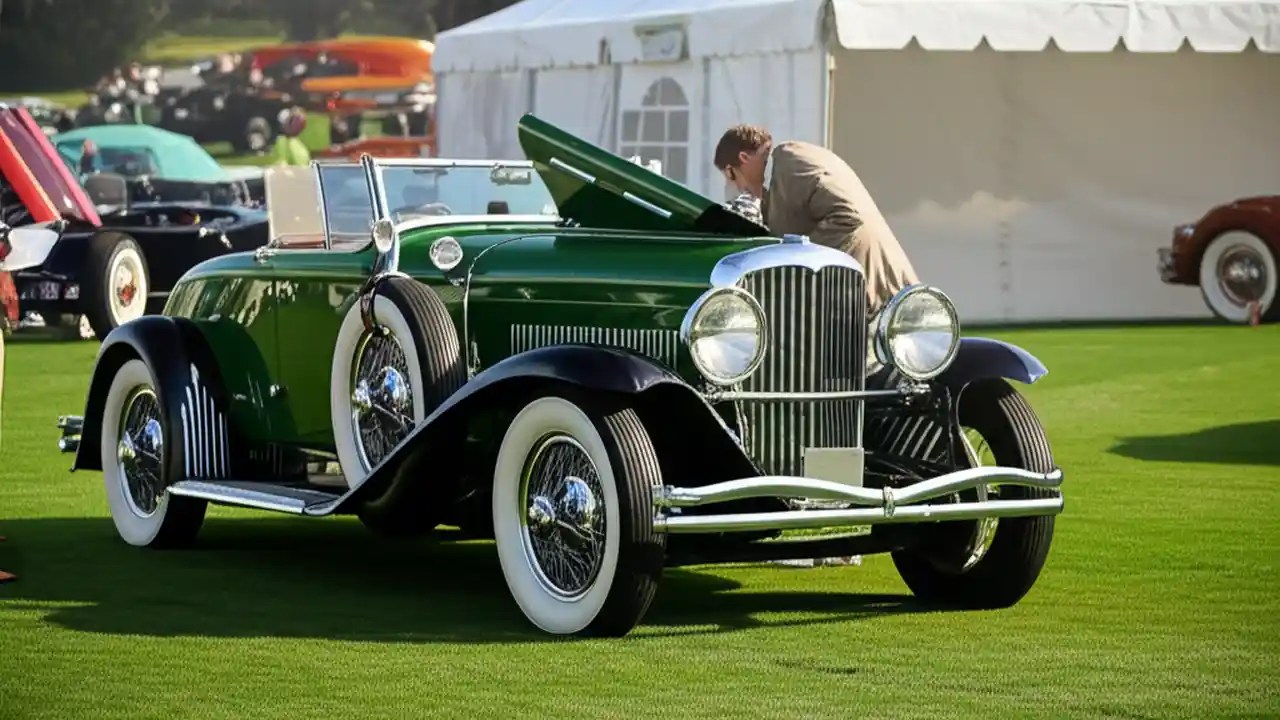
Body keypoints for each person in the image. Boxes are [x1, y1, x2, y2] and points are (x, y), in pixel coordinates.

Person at [714, 124, 919, 316]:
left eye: (730, 174)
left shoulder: (790, 162)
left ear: (743, 158)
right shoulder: (787, 168)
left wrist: (794, 269)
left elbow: (846, 217)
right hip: (876, 295)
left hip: (870, 295)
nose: (735, 186)